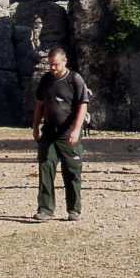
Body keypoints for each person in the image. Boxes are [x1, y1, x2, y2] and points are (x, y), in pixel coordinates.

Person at [31, 47, 89, 221]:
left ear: (64, 62)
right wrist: (35, 126)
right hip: (49, 132)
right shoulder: (46, 80)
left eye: (55, 64)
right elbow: (39, 104)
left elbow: (82, 105)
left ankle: (74, 209)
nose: (52, 68)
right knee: (45, 167)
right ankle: (45, 209)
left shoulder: (75, 80)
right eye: (50, 65)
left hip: (68, 132)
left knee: (72, 171)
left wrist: (76, 130)